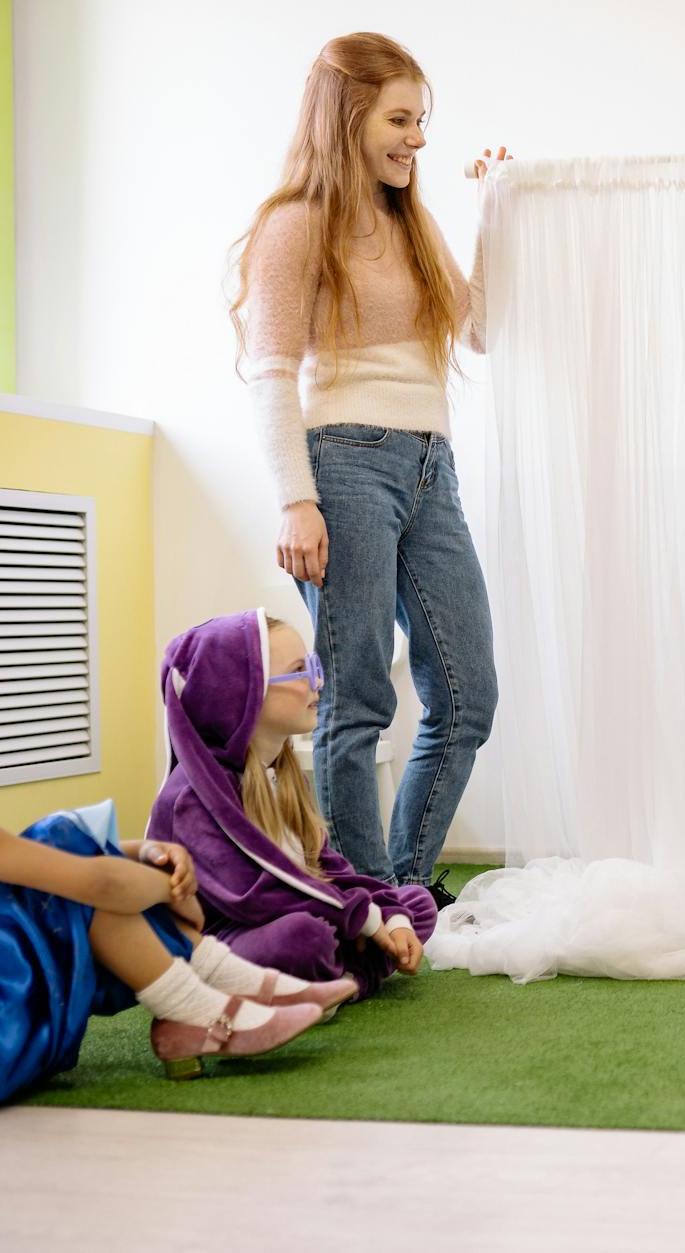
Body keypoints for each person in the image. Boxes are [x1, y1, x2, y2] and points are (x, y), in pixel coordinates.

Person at [231, 31, 513, 900]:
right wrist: (295, 501)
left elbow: (482, 329)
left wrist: (495, 209)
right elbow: (270, 372)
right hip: (343, 463)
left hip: (432, 466)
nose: (415, 139)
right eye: (399, 118)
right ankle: (368, 905)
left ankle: (402, 888)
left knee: (468, 696)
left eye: (420, 121)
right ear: (348, 114)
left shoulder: (408, 219)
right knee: (355, 701)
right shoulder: (295, 224)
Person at [0, 622, 339, 1101]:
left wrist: (145, 853)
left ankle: (227, 990)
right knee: (68, 848)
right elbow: (102, 886)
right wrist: (169, 888)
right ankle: (201, 1006)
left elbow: (30, 861)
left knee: (64, 845)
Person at [149, 611, 435, 999]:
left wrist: (388, 914)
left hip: (299, 911)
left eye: (313, 667)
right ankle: (351, 979)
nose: (317, 682)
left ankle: (330, 982)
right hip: (219, 939)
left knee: (414, 904)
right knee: (304, 937)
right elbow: (254, 895)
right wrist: (363, 919)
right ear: (241, 695)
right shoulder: (190, 797)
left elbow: (327, 867)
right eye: (300, 671)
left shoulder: (281, 773)